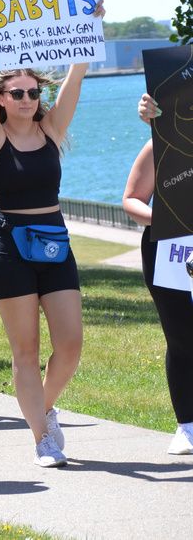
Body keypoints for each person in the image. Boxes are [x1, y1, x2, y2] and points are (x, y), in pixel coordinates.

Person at [0, 0, 105, 468]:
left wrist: (89, 26)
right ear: (5, 99)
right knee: (24, 349)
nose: (27, 99)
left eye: (32, 92)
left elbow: (76, 75)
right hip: (9, 246)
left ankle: (43, 408)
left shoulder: (51, 130)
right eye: (17, 93)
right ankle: (42, 439)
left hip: (54, 239)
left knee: (70, 343)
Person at [123, 94, 193, 455]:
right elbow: (132, 199)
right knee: (181, 337)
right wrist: (167, 219)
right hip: (169, 250)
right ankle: (187, 425)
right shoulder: (161, 144)